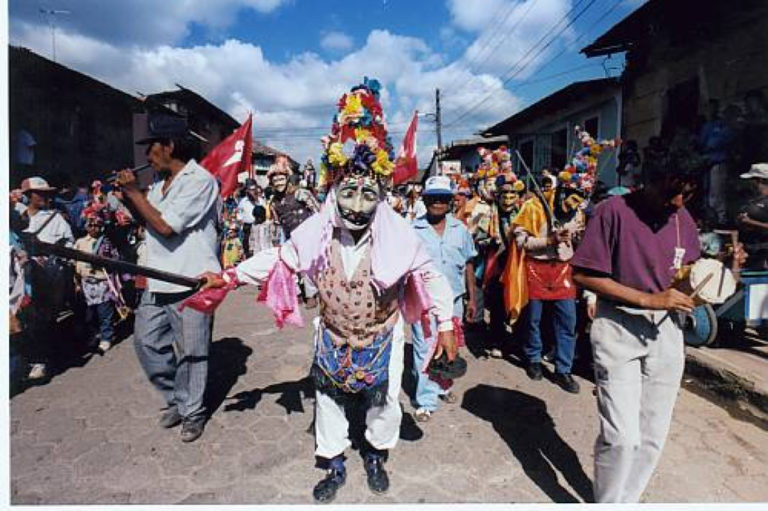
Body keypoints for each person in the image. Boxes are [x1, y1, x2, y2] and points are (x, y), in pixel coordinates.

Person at [199, 79, 457, 503]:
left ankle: (374, 453)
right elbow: (280, 258)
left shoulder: (399, 236)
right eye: (348, 192)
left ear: (381, 195)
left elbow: (431, 277)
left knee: (385, 403)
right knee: (328, 400)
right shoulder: (317, 232)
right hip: (333, 337)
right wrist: (229, 277)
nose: (356, 205)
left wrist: (445, 324)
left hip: (382, 337)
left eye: (367, 194)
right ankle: (334, 462)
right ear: (335, 193)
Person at [571, 167, 703, 503]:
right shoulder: (613, 211)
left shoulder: (683, 220)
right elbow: (583, 274)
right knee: (621, 437)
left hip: (667, 330)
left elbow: (686, 281)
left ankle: (626, 502)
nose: (678, 201)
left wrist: (722, 273)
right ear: (650, 177)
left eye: (687, 194)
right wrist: (648, 299)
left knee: (652, 436)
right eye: (671, 191)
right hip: (619, 325)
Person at [115, 112, 221, 443]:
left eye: (151, 147)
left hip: (191, 280)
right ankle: (177, 397)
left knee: (192, 351)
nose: (147, 155)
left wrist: (134, 193)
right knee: (146, 342)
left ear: (170, 146)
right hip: (158, 278)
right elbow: (150, 221)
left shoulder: (200, 180)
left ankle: (193, 412)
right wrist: (129, 200)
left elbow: (166, 227)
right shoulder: (160, 185)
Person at [410, 175, 477, 422]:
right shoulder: (412, 230)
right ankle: (426, 400)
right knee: (425, 348)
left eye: (443, 198)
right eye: (432, 198)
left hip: (455, 299)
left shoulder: (460, 230)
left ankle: (443, 386)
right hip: (424, 301)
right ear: (424, 200)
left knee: (450, 344)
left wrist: (472, 298)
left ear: (450, 201)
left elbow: (468, 263)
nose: (437, 203)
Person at [513, 173, 585, 394]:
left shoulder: (577, 211)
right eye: (568, 201)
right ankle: (533, 358)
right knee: (533, 319)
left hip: (563, 269)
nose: (571, 207)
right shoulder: (532, 207)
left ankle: (563, 369)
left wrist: (576, 237)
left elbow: (580, 238)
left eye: (577, 202)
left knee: (567, 321)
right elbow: (521, 241)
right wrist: (549, 240)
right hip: (536, 268)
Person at [20, 176, 75, 381]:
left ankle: (42, 360)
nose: (45, 197)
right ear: (28, 196)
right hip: (21, 276)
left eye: (47, 194)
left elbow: (69, 244)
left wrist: (54, 257)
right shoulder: (17, 217)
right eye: (40, 193)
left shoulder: (55, 218)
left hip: (48, 276)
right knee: (23, 317)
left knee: (43, 317)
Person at [267, 154, 321, 308]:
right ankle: (295, 293)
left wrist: (318, 230)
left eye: (281, 179)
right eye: (275, 180)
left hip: (307, 235)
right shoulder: (274, 202)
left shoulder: (300, 193)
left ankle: (311, 295)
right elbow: (276, 223)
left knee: (307, 265)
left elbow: (317, 211)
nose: (279, 183)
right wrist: (276, 241)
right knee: (289, 264)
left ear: (287, 179)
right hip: (290, 237)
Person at [73, 214, 121, 354]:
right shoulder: (80, 242)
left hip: (102, 282)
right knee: (89, 313)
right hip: (86, 282)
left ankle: (106, 338)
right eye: (91, 225)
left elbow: (115, 259)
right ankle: (94, 335)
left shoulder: (107, 243)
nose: (94, 228)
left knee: (104, 312)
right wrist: (76, 281)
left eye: (97, 225)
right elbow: (75, 262)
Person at [737, 163, 768, 269]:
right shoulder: (753, 199)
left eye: (752, 179)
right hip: (750, 249)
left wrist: (750, 221)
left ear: (760, 180)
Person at [237, 180, 261, 257]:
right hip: (247, 227)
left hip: (259, 226)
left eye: (255, 189)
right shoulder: (243, 202)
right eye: (251, 189)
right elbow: (239, 214)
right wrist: (241, 224)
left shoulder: (261, 201)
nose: (254, 191)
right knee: (247, 247)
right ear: (247, 190)